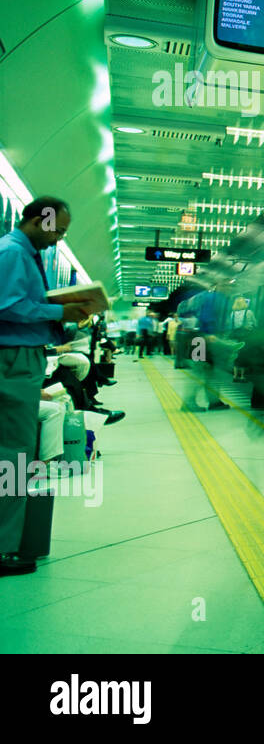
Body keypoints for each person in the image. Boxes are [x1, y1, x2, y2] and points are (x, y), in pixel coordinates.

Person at [0, 197, 92, 576]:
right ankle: (4, 548)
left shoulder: (24, 255)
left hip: (22, 354)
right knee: (13, 450)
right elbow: (6, 305)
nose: (58, 240)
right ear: (41, 220)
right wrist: (58, 311)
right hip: (13, 357)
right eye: (59, 231)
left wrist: (65, 320)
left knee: (12, 447)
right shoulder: (12, 253)